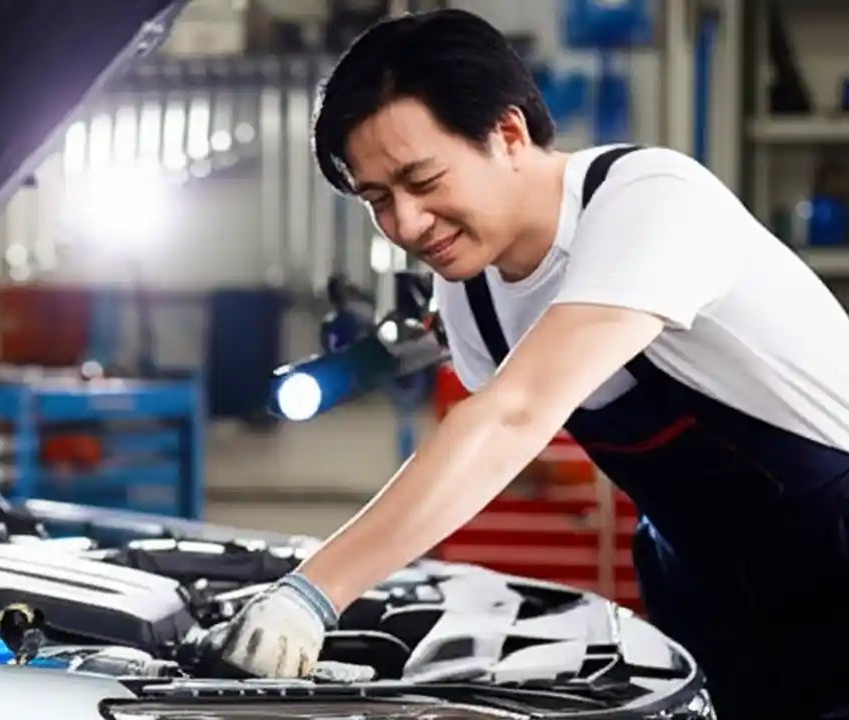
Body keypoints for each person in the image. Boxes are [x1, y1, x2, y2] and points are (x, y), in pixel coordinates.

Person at [200, 8, 849, 719]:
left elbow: (511, 415)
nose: (406, 225)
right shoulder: (469, 293)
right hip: (707, 584)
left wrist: (314, 590)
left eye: (422, 180)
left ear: (508, 135)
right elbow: (482, 458)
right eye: (377, 199)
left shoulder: (651, 200)